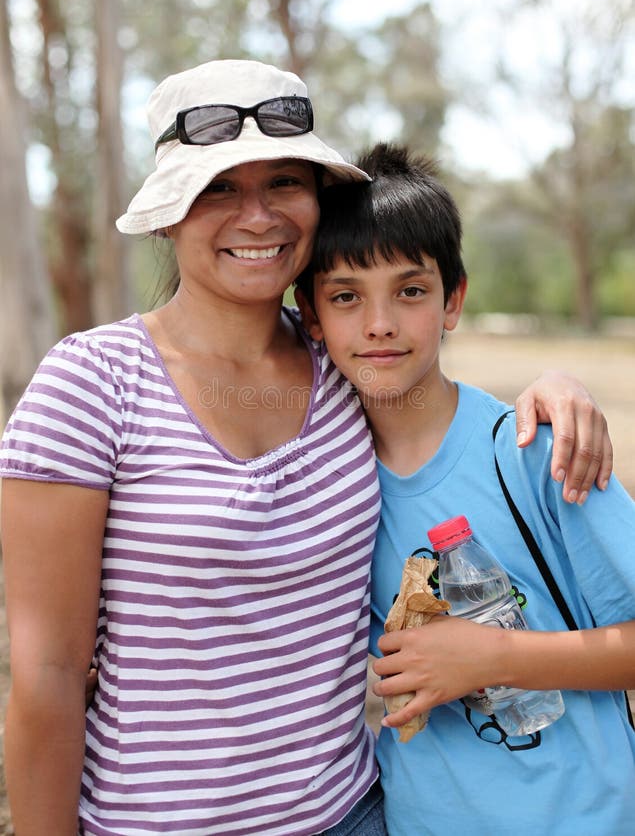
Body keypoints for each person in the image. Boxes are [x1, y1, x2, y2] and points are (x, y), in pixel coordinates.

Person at [0, 61, 614, 836]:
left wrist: (558, 388)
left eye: (284, 182)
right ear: (166, 213)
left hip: (352, 815)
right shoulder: (89, 386)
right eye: (218, 187)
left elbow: (438, 399)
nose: (256, 217)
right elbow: (49, 678)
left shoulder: (343, 365)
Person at [294, 142, 635, 836]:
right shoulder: (324, 486)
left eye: (410, 291)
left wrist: (496, 656)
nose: (380, 322)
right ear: (311, 316)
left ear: (452, 300)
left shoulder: (535, 449)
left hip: (581, 816)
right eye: (345, 297)